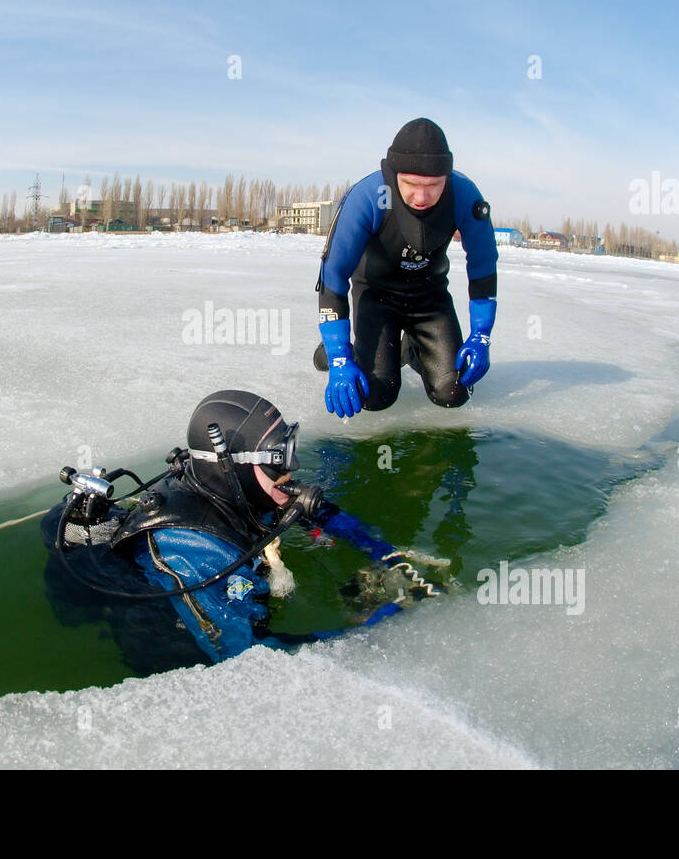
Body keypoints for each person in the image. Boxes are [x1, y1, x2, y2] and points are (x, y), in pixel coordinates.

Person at [41, 390, 435, 674]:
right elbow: (250, 659)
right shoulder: (191, 551)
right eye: (278, 459)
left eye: (289, 450)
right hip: (181, 647)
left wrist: (384, 553)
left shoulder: (236, 488)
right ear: (234, 466)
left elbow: (312, 506)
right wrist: (376, 628)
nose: (291, 470)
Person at [314, 117, 499, 417]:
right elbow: (332, 277)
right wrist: (338, 356)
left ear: (447, 179)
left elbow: (484, 267)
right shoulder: (367, 196)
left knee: (454, 392)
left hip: (430, 298)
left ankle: (410, 348)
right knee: (374, 395)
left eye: (434, 186)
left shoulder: (464, 195)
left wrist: (481, 335)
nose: (422, 197)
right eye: (411, 184)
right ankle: (337, 349)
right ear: (393, 173)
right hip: (377, 296)